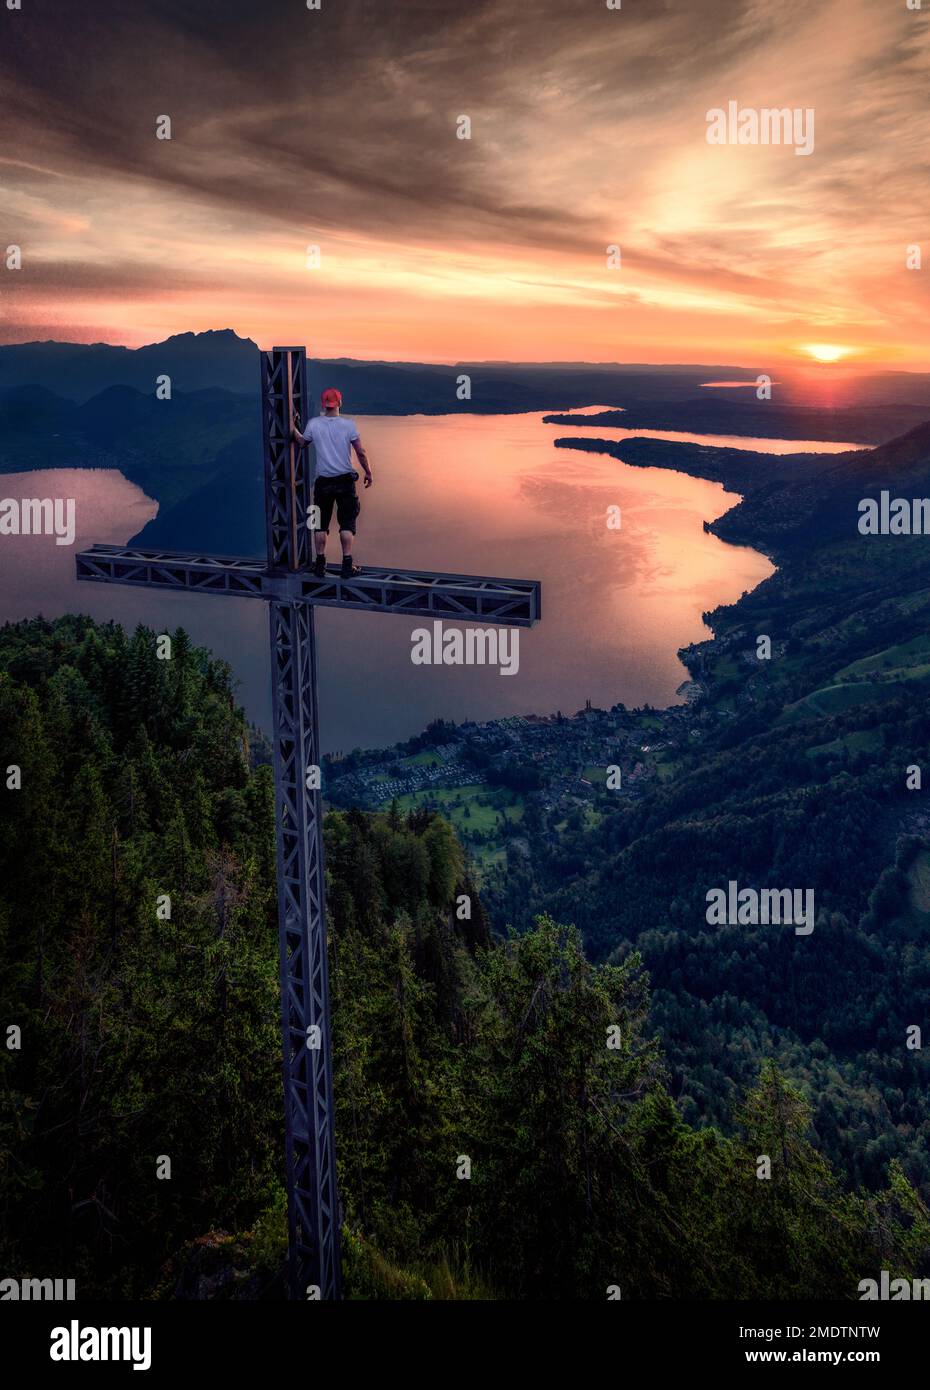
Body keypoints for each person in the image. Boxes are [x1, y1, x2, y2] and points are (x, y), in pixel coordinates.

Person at [291, 387, 372, 577]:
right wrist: (368, 472)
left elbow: (302, 443)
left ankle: (320, 564)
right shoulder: (349, 426)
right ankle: (346, 565)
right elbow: (361, 452)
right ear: (340, 403)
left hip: (322, 483)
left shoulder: (313, 424)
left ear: (323, 404)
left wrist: (293, 427)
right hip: (345, 482)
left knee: (319, 523)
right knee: (347, 523)